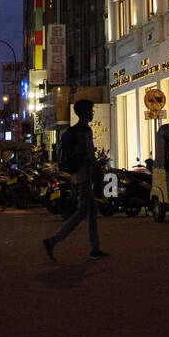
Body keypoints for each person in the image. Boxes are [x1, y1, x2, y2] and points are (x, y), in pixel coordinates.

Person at [42, 100, 108, 261]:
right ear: (84, 112)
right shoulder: (84, 130)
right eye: (91, 111)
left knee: (92, 212)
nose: (92, 113)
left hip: (77, 174)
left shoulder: (73, 130)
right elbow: (89, 155)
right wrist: (96, 169)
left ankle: (95, 248)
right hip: (85, 174)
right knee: (81, 213)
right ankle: (53, 241)